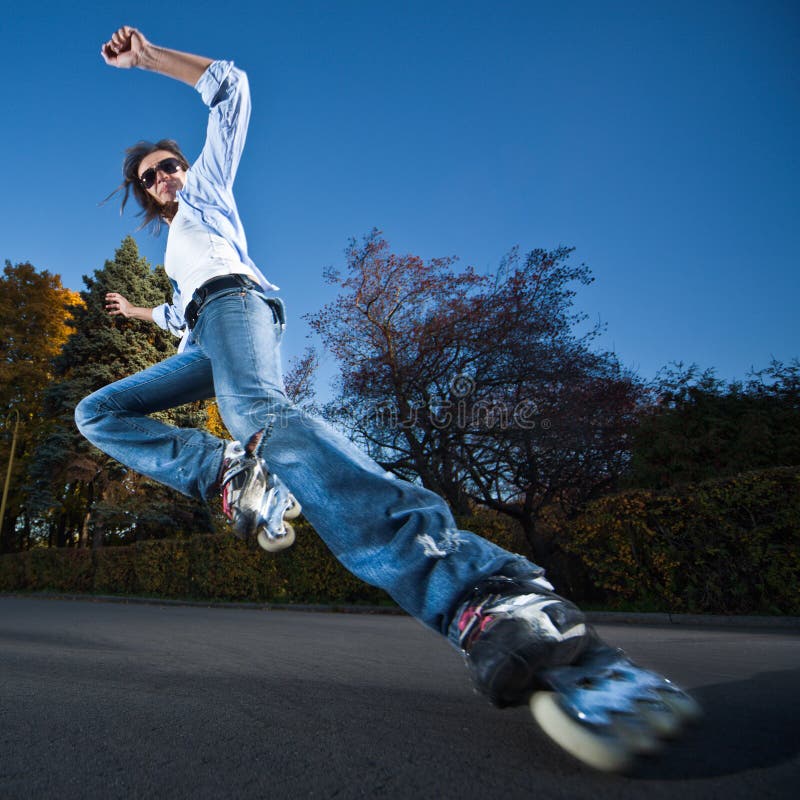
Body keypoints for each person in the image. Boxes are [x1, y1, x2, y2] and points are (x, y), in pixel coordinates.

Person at [77, 26, 699, 773]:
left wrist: (149, 60)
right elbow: (179, 314)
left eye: (170, 164)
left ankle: (479, 588)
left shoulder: (209, 195)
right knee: (99, 412)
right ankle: (226, 475)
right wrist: (136, 314)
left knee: (259, 417)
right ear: (144, 194)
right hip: (198, 332)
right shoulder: (172, 253)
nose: (167, 177)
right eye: (153, 176)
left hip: (237, 307)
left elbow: (232, 89)